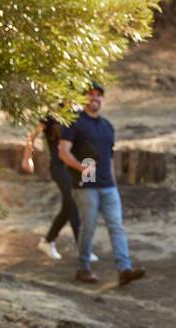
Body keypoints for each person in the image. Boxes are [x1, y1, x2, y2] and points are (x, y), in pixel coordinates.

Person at [58, 82, 146, 286]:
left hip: (108, 185)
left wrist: (114, 184)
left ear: (103, 99)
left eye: (98, 95)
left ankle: (125, 269)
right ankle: (84, 268)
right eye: (90, 94)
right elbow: (63, 152)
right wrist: (82, 169)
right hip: (86, 183)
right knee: (88, 226)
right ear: (83, 99)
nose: (94, 98)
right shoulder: (74, 122)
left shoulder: (107, 126)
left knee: (116, 226)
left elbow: (110, 158)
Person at [21, 111, 93, 263]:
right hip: (59, 168)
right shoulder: (50, 115)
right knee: (72, 203)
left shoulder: (79, 113)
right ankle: (83, 249)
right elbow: (32, 135)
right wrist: (27, 158)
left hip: (75, 168)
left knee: (68, 207)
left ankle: (48, 241)